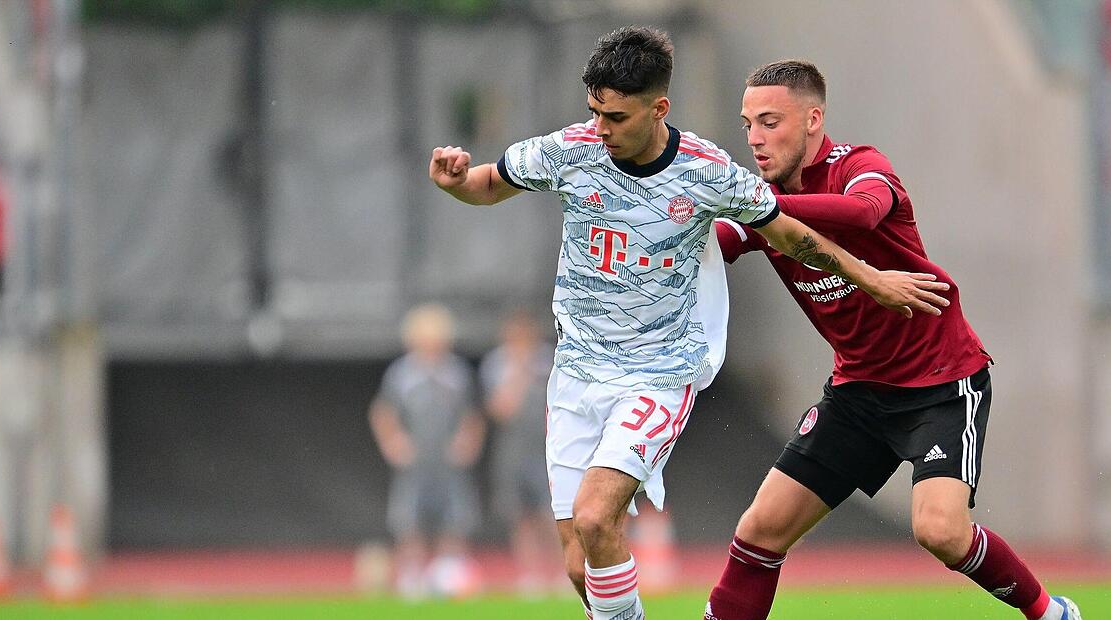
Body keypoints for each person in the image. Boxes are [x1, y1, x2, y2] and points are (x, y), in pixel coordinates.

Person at [428, 27, 950, 620]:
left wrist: (871, 278)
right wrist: (457, 182)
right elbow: (489, 184)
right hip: (576, 373)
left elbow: (789, 234)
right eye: (595, 112)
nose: (601, 129)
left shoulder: (706, 171)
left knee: (597, 518)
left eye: (617, 117)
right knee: (579, 561)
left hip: (658, 373)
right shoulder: (570, 149)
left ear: (659, 109)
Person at [702, 60, 1081, 620]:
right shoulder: (762, 202)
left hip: (940, 382)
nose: (755, 138)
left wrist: (761, 208)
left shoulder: (858, 166)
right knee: (760, 530)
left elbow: (862, 213)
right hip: (858, 392)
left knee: (941, 532)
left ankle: (1052, 614)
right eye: (747, 124)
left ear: (813, 119)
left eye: (770, 122)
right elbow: (712, 242)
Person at [368, 303, 484, 598]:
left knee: (455, 520)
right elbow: (383, 412)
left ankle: (449, 576)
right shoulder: (401, 374)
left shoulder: (457, 373)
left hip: (448, 462)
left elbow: (472, 415)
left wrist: (467, 442)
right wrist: (394, 442)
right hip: (415, 462)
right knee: (409, 521)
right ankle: (411, 579)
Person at [478, 309, 559, 592]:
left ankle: (561, 573)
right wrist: (519, 374)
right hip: (513, 451)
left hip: (547, 448)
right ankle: (530, 575)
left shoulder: (549, 360)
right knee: (521, 516)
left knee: (552, 515)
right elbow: (500, 410)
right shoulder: (496, 365)